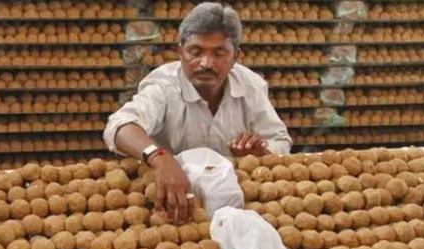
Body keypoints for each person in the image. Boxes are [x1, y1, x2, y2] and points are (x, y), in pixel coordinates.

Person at [103, 2, 291, 222]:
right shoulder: (163, 86)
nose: (205, 63)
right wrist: (159, 158)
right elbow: (120, 126)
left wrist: (261, 152)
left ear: (236, 56)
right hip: (172, 205)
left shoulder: (250, 86)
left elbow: (280, 140)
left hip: (236, 201)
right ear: (180, 52)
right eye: (195, 51)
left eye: (219, 53)